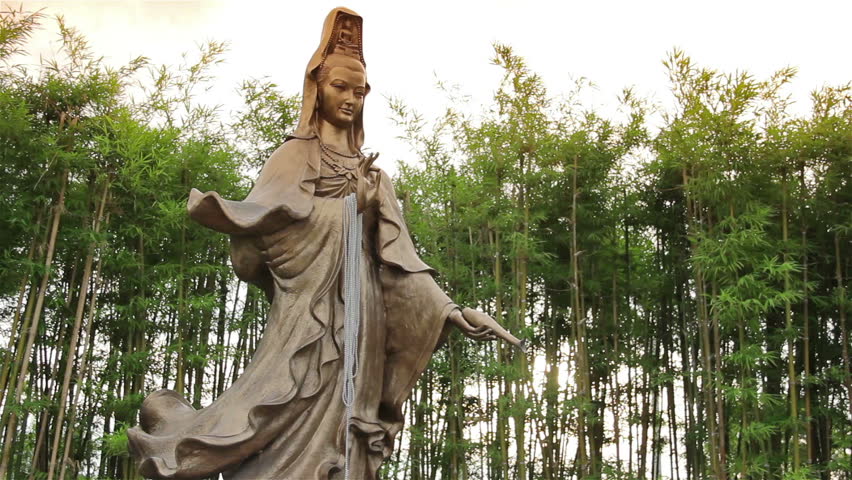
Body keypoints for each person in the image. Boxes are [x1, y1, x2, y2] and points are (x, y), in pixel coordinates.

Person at [127, 8, 520, 479]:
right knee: (284, 409)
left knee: (349, 433)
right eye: (341, 87)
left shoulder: (375, 176)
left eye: (360, 91)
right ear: (317, 87)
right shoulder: (293, 157)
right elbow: (261, 239)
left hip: (364, 315)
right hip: (309, 317)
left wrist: (452, 312)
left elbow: (400, 264)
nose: (351, 98)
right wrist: (348, 208)